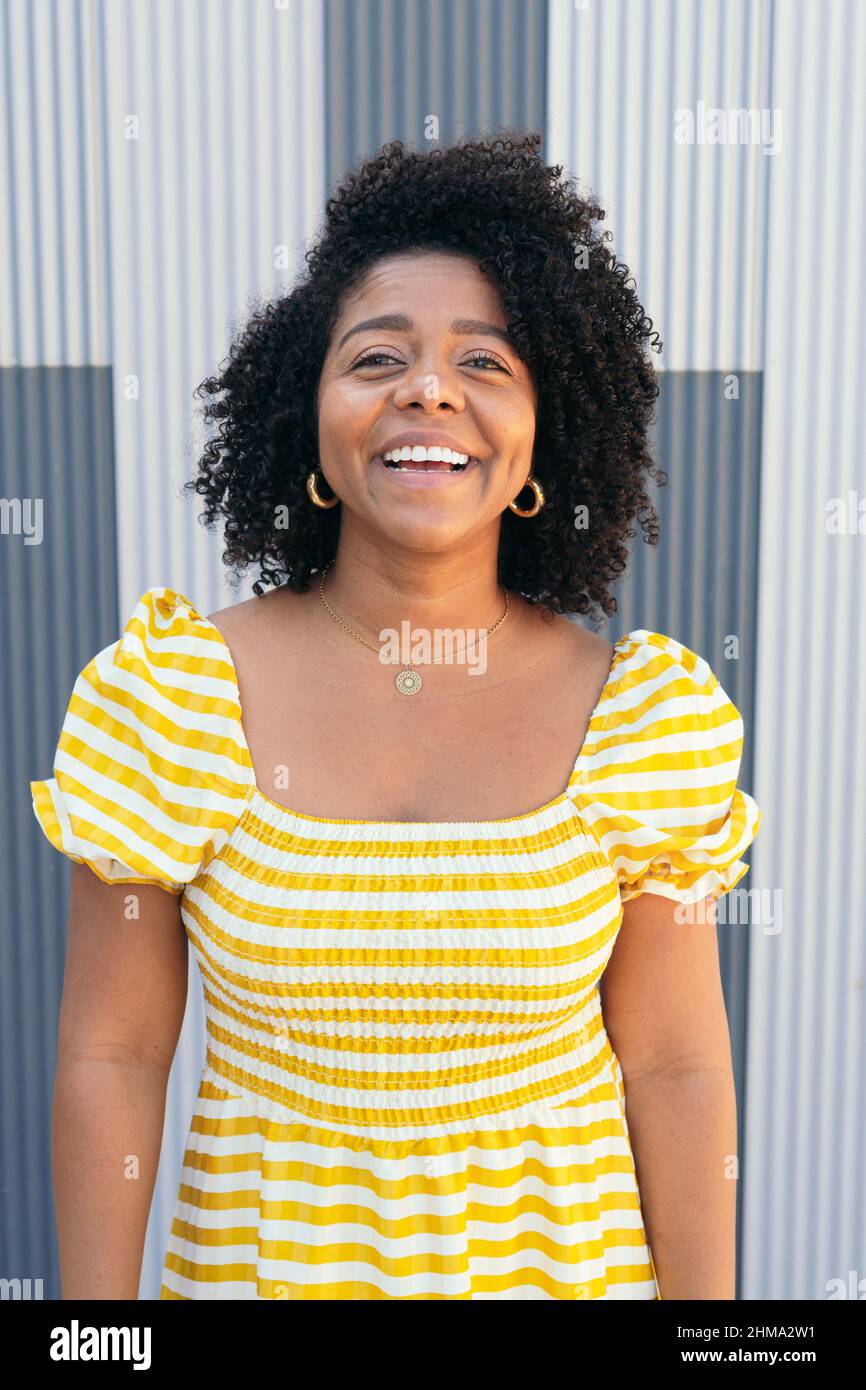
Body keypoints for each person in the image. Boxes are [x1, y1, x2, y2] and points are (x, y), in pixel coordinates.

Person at [32, 131, 760, 1300]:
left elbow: (674, 1066)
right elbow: (111, 1055)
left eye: (486, 361)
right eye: (377, 358)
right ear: (309, 418)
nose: (428, 387)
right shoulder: (170, 701)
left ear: (540, 442)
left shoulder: (643, 719)